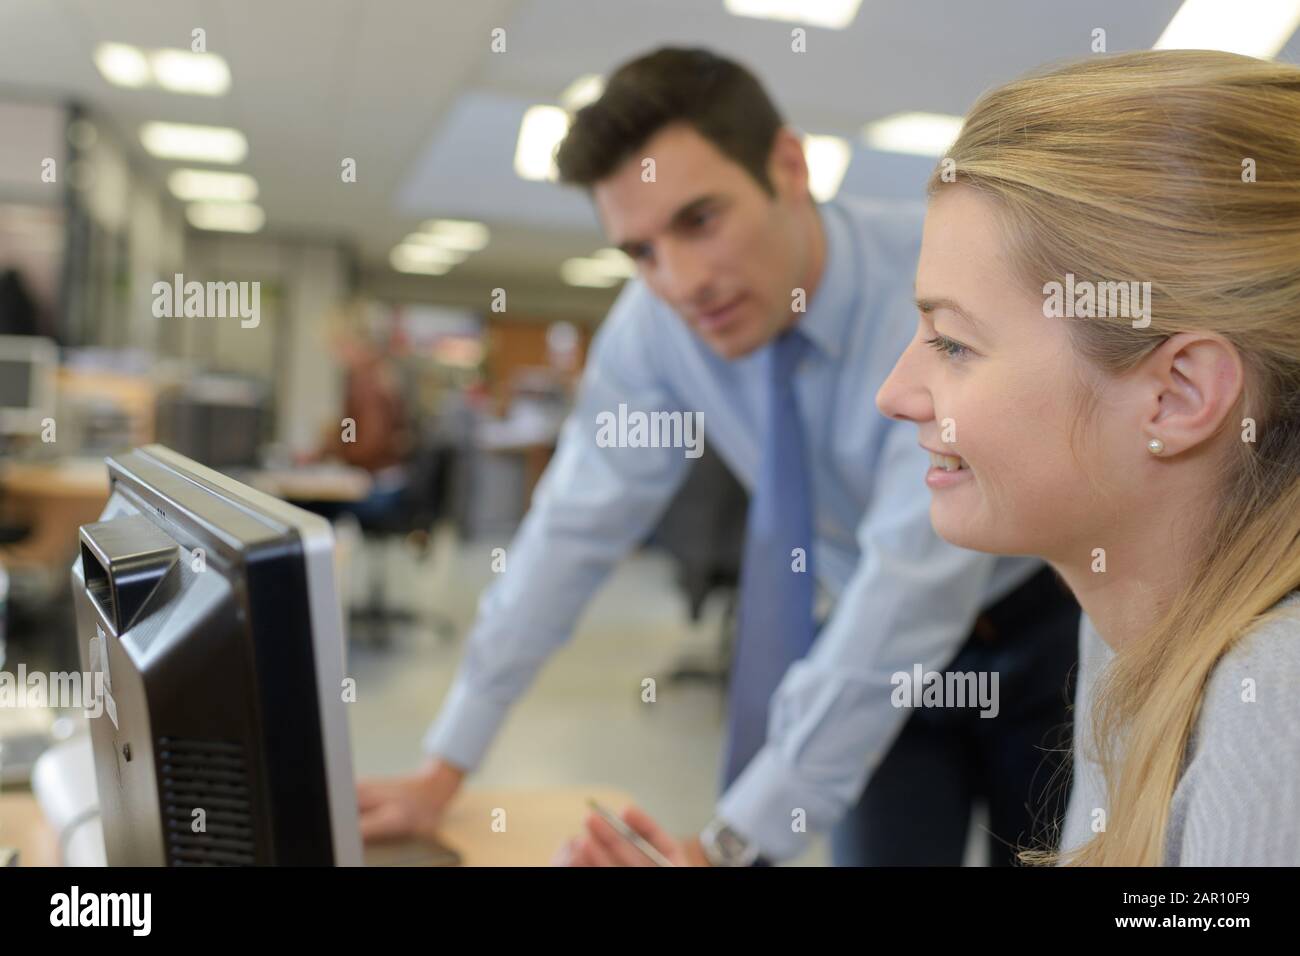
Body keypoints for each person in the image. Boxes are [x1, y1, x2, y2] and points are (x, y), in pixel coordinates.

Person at [359, 47, 1080, 867]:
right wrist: (443, 766)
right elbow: (570, 532)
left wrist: (724, 847)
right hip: (866, 652)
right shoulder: (656, 330)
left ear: (788, 165)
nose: (682, 280)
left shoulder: (927, 290)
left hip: (1037, 638)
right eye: (641, 251)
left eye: (700, 219)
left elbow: (913, 585)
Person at [875, 49, 1300, 865]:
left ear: (1177, 396)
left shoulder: (1275, 695)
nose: (895, 393)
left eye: (953, 343)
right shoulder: (1128, 625)